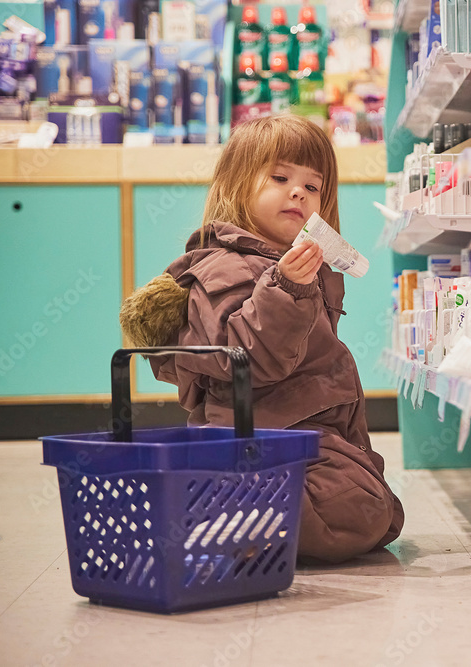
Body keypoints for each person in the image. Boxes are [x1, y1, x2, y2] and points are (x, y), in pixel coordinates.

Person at [119, 114, 403, 564]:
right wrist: (286, 289)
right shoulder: (222, 268)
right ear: (236, 185)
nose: (299, 193)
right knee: (357, 511)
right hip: (257, 440)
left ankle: (231, 517)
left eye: (314, 187)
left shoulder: (297, 263)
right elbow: (249, 360)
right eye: (280, 177)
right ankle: (229, 515)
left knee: (376, 507)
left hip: (304, 436)